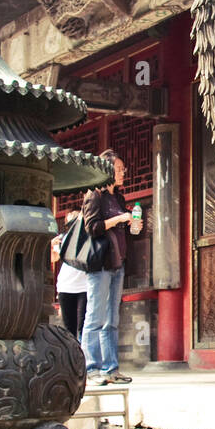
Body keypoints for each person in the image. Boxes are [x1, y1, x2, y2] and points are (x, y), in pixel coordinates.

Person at [80, 150, 143, 386]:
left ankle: (111, 368)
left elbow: (126, 230)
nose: (122, 173)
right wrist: (118, 219)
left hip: (119, 262)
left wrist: (133, 225)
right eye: (118, 169)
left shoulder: (119, 197)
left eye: (122, 169)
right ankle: (91, 368)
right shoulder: (94, 196)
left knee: (112, 319)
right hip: (100, 264)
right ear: (106, 170)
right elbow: (92, 228)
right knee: (94, 317)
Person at [53, 211, 88, 341]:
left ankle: (83, 357)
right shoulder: (64, 238)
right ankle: (73, 358)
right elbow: (54, 258)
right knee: (69, 330)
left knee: (83, 327)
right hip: (66, 287)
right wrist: (52, 245)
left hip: (84, 286)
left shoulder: (88, 236)